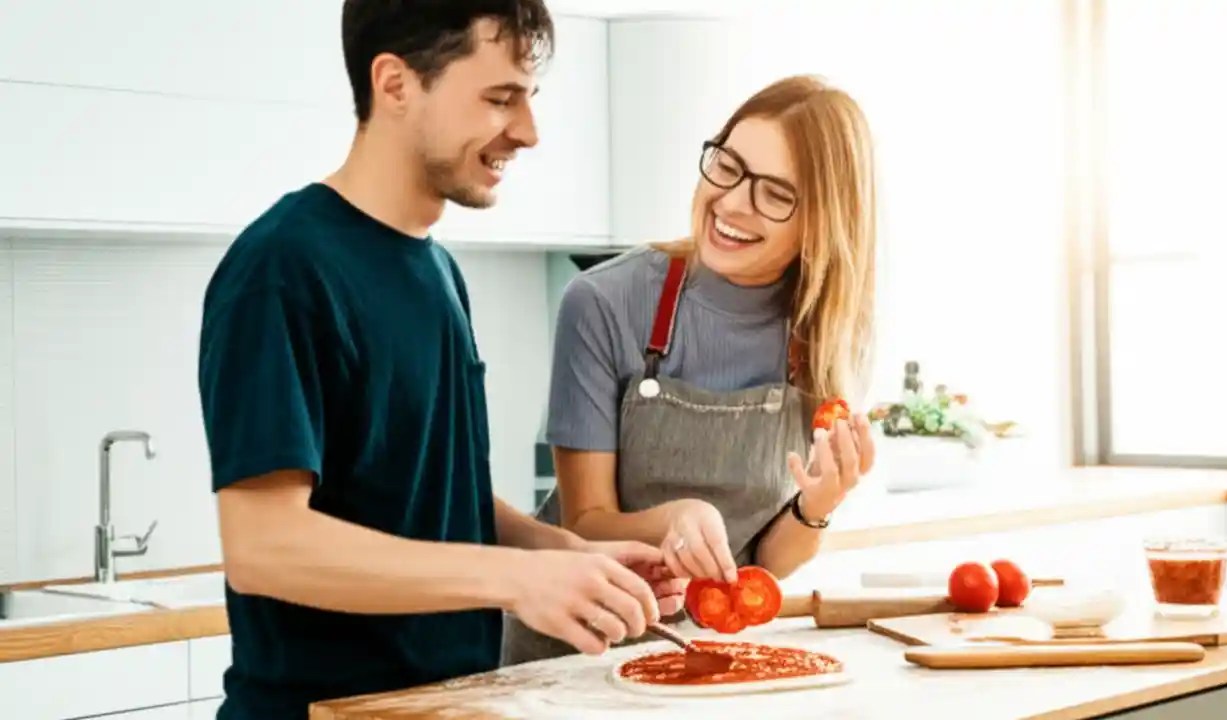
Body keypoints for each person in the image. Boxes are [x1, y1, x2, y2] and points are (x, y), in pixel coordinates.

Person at [196, 2, 681, 718]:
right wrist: (514, 579)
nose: (528, 132)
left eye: (529, 99)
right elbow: (265, 546)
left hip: (445, 704)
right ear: (394, 84)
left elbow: (428, 492)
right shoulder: (284, 268)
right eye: (498, 98)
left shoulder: (439, 273)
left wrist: (559, 552)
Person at [503, 75, 879, 664]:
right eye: (727, 165)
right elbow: (584, 524)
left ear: (823, 221)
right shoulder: (604, 302)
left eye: (775, 194)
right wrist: (675, 517)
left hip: (721, 653)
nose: (731, 202)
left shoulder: (828, 335)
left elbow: (763, 566)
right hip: (576, 652)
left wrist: (818, 505)